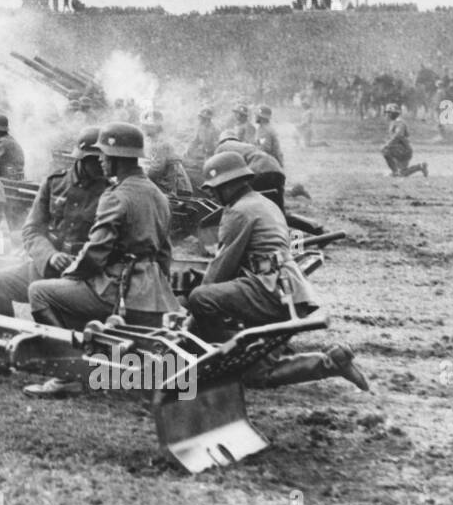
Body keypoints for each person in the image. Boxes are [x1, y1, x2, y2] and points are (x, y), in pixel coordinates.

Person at [184, 151, 369, 391]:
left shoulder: (238, 211)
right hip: (288, 291)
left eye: (214, 189)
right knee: (255, 375)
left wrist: (191, 307)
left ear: (228, 185)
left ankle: (223, 356)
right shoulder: (264, 203)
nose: (212, 194)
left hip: (269, 291)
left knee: (201, 298)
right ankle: (332, 362)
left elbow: (222, 265)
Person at [25, 121, 178, 398]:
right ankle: (110, 367)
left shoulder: (116, 196)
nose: (102, 163)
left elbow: (96, 252)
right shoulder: (158, 194)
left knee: (40, 293)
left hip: (118, 290)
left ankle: (67, 375)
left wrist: (71, 274)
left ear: (117, 159)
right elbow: (165, 251)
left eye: (105, 157)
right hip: (153, 292)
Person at [0, 126, 108, 391]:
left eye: (101, 159)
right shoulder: (55, 182)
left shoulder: (109, 192)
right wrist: (49, 256)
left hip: (81, 273)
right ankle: (2, 353)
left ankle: (64, 365)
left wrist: (74, 262)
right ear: (80, 159)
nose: (99, 166)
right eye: (92, 160)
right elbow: (32, 229)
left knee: (57, 306)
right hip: (44, 264)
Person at [215, 131, 286, 212]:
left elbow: (218, 171)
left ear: (221, 141)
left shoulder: (221, 147)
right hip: (277, 169)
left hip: (259, 171)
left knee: (248, 202)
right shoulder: (246, 146)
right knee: (279, 210)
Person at [142, 112, 193, 196]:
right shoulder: (157, 141)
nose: (145, 129)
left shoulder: (161, 143)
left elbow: (156, 170)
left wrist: (141, 176)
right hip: (172, 185)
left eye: (148, 126)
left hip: (176, 188)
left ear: (154, 127)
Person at [381, 103, 428, 178]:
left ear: (393, 113)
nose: (387, 115)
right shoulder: (395, 122)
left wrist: (388, 144)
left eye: (389, 113)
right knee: (402, 173)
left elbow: (398, 135)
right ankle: (420, 166)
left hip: (403, 150)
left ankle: (395, 172)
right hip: (403, 150)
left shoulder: (399, 123)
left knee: (385, 151)